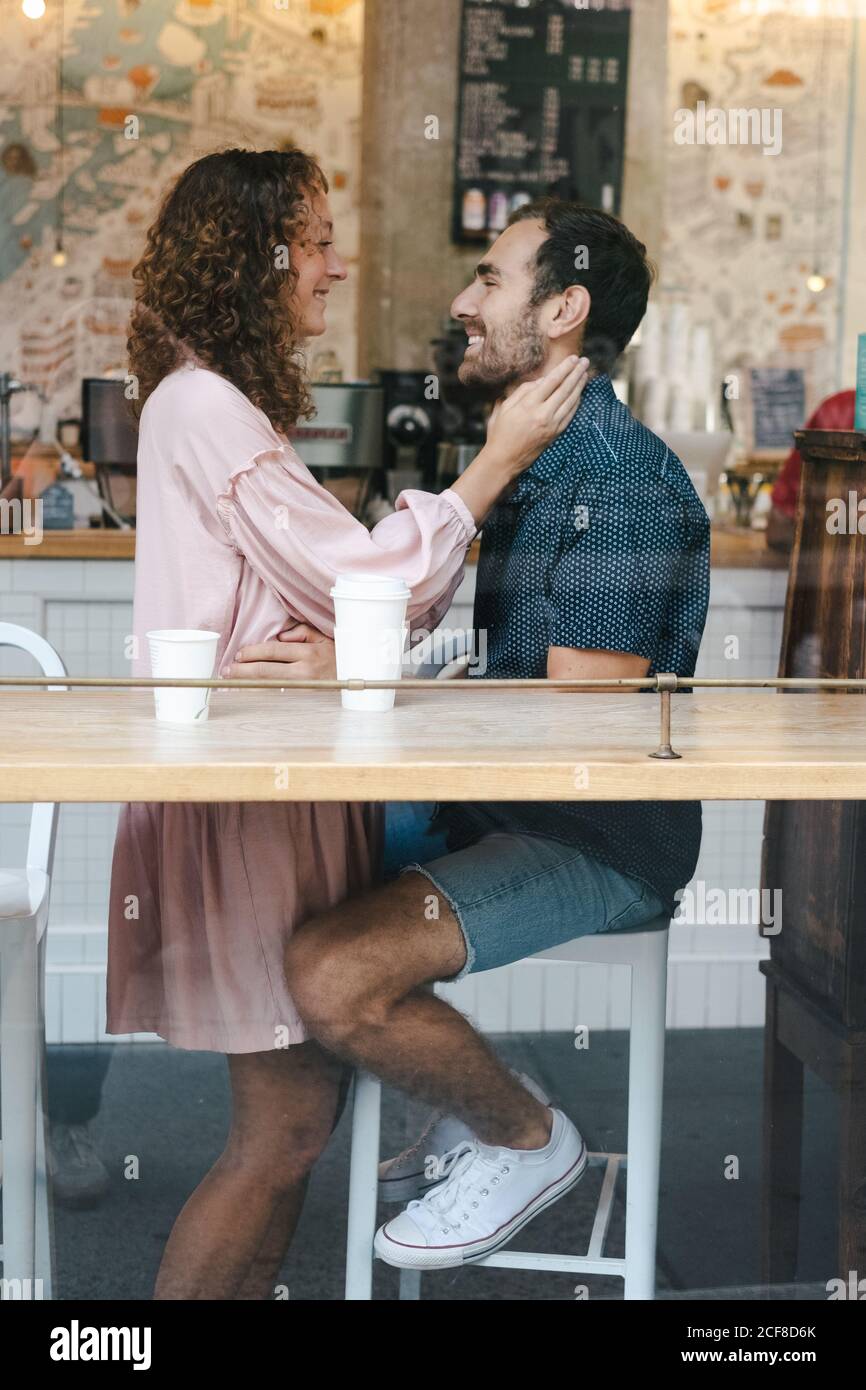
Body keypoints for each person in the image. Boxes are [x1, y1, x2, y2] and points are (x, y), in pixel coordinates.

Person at [105, 149, 588, 1300]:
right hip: (245, 801)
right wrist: (489, 470)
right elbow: (364, 575)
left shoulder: (212, 401)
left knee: (300, 1129)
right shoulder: (205, 404)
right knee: (277, 1134)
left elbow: (344, 596)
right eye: (315, 238)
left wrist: (336, 643)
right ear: (252, 256)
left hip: (271, 787)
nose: (333, 262)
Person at [234, 198, 711, 1271]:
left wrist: (376, 683)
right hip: (507, 809)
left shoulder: (617, 483)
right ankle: (449, 1090)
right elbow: (508, 683)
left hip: (596, 840)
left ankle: (524, 1134)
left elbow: (577, 729)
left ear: (564, 310)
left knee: (328, 972)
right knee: (294, 886)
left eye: (489, 279)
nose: (460, 301)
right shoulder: (540, 461)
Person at [765, 389, 855, 551]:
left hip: (828, 569)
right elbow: (778, 525)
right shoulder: (837, 409)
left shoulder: (837, 409)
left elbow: (778, 526)